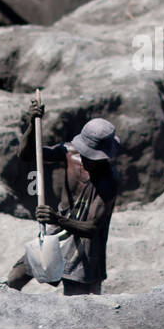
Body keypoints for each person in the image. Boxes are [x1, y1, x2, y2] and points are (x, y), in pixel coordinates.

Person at [7, 97, 120, 296]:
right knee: (16, 278)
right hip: (58, 229)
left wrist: (56, 218)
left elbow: (93, 228)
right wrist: (32, 124)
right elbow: (26, 155)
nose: (91, 161)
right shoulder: (70, 153)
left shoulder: (108, 181)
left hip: (85, 243)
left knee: (77, 303)